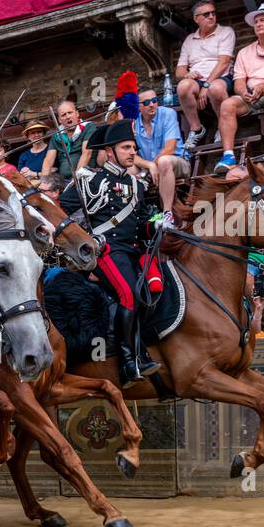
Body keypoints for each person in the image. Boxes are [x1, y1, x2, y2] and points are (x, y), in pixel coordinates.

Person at [59, 121, 160, 382]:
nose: (131, 152)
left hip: (131, 251)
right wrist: (84, 239)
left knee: (151, 293)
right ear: (110, 151)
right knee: (128, 294)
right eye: (126, 147)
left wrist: (155, 226)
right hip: (106, 251)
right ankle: (128, 363)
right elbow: (62, 209)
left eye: (134, 148)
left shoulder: (138, 186)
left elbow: (139, 225)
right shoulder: (90, 179)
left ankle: (141, 351)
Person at [214, 3, 264, 174]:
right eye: (256, 21)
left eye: (262, 20)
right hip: (253, 95)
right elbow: (239, 82)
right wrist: (244, 93)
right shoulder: (244, 52)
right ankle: (228, 156)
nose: (258, 24)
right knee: (227, 104)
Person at [174, 0, 236, 153]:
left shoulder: (225, 32)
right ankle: (196, 129)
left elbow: (223, 62)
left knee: (215, 88)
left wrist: (206, 86)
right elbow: (179, 71)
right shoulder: (189, 40)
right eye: (206, 14)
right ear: (196, 19)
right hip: (198, 81)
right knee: (183, 86)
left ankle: (222, 127)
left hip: (221, 77)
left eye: (213, 13)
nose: (211, 17)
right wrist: (187, 74)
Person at [131, 87, 188, 219]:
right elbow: (130, 154)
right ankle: (137, 216)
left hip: (178, 162)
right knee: (127, 168)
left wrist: (148, 168)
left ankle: (168, 214)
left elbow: (170, 148)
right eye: (146, 103)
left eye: (154, 100)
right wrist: (148, 166)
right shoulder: (133, 122)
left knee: (164, 161)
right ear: (138, 107)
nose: (151, 104)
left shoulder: (168, 113)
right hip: (150, 168)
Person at [43, 100, 97, 179]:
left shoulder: (88, 127)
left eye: (70, 112)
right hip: (64, 181)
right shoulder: (56, 136)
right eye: (63, 115)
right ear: (59, 120)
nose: (68, 117)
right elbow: (48, 160)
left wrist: (76, 178)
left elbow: (86, 154)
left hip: (86, 177)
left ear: (77, 114)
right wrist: (44, 182)